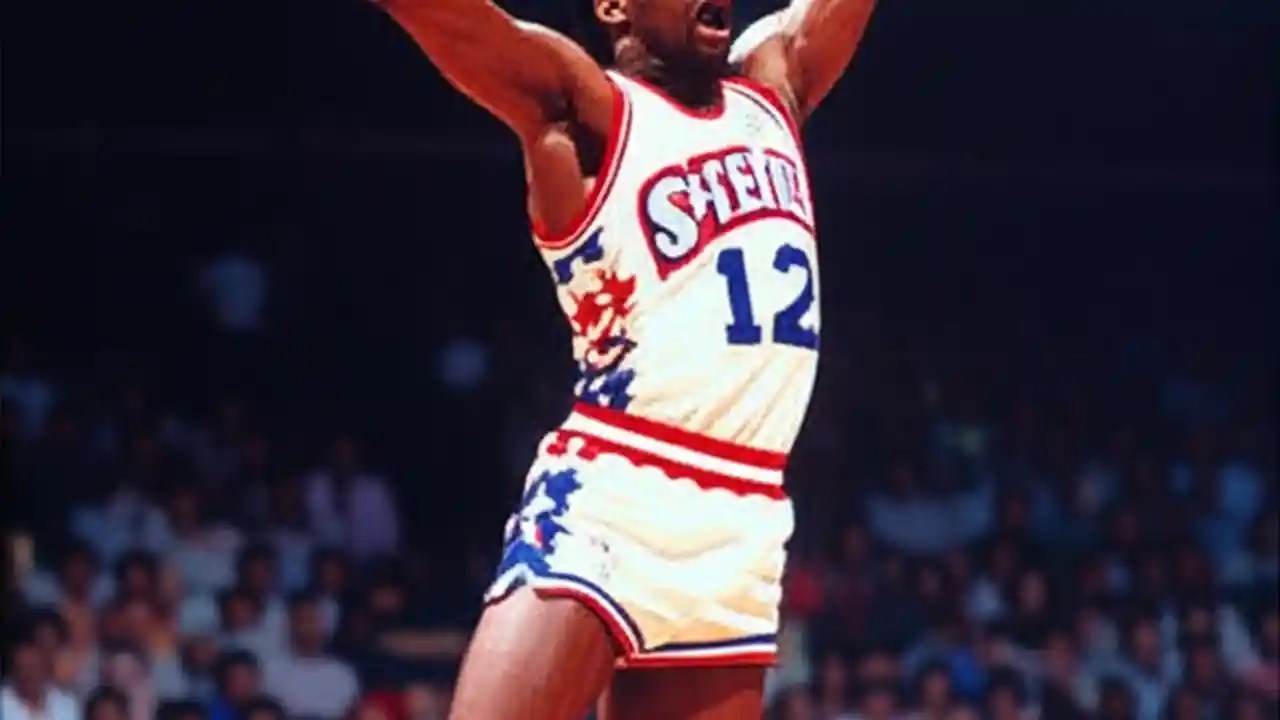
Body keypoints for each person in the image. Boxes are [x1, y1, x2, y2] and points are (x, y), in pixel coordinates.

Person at [373, 0, 875, 716]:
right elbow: (458, 22)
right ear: (614, 7)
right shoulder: (588, 113)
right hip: (618, 494)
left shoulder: (776, 85)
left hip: (745, 517)